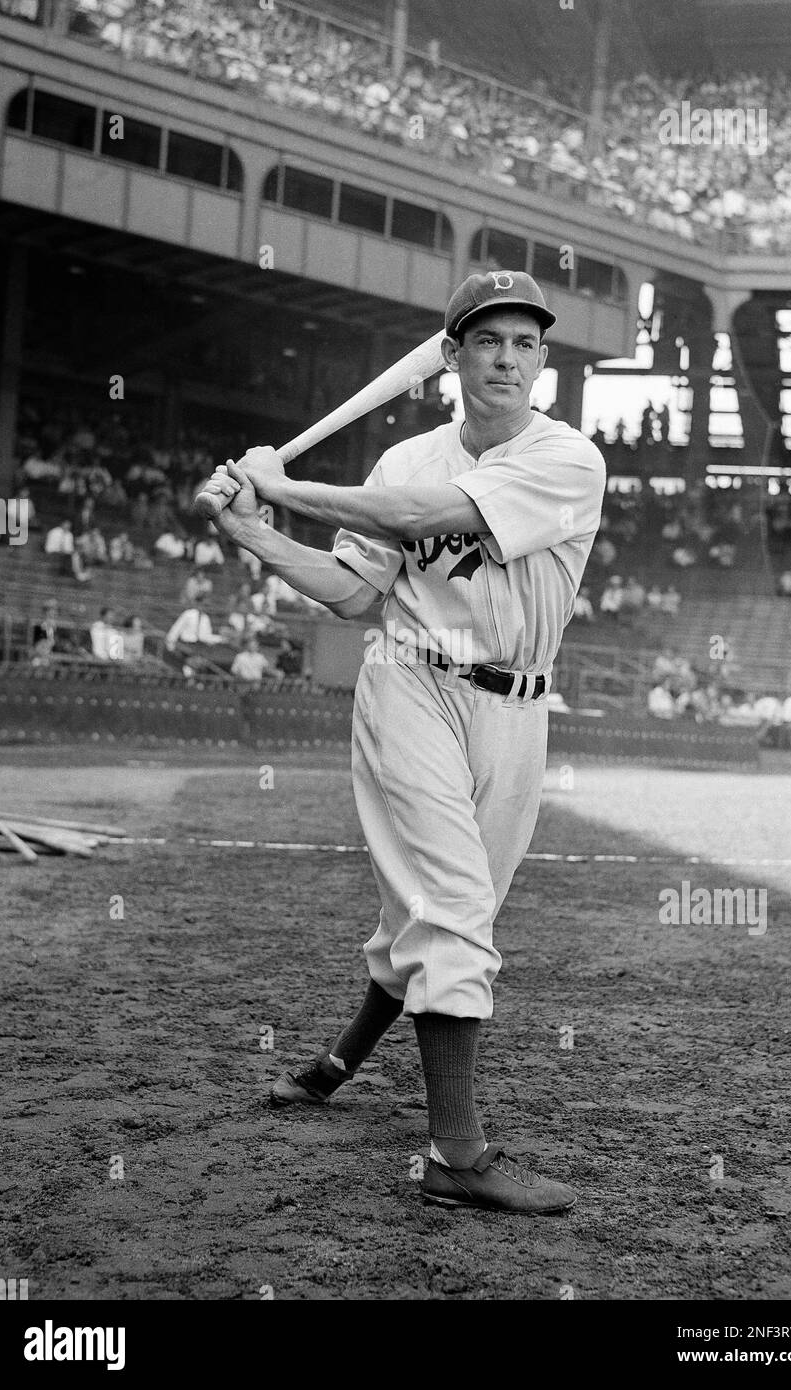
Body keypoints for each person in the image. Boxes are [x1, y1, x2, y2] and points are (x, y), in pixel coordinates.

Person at [201, 270, 605, 1214]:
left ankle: (335, 1063)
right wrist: (253, 530)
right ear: (453, 358)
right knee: (453, 908)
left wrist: (285, 484)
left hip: (519, 710)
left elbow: (429, 519)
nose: (506, 359)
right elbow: (355, 592)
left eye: (524, 344)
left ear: (542, 362)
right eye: (487, 341)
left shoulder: (568, 459)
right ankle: (456, 1159)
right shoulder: (400, 460)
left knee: (435, 918)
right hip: (412, 684)